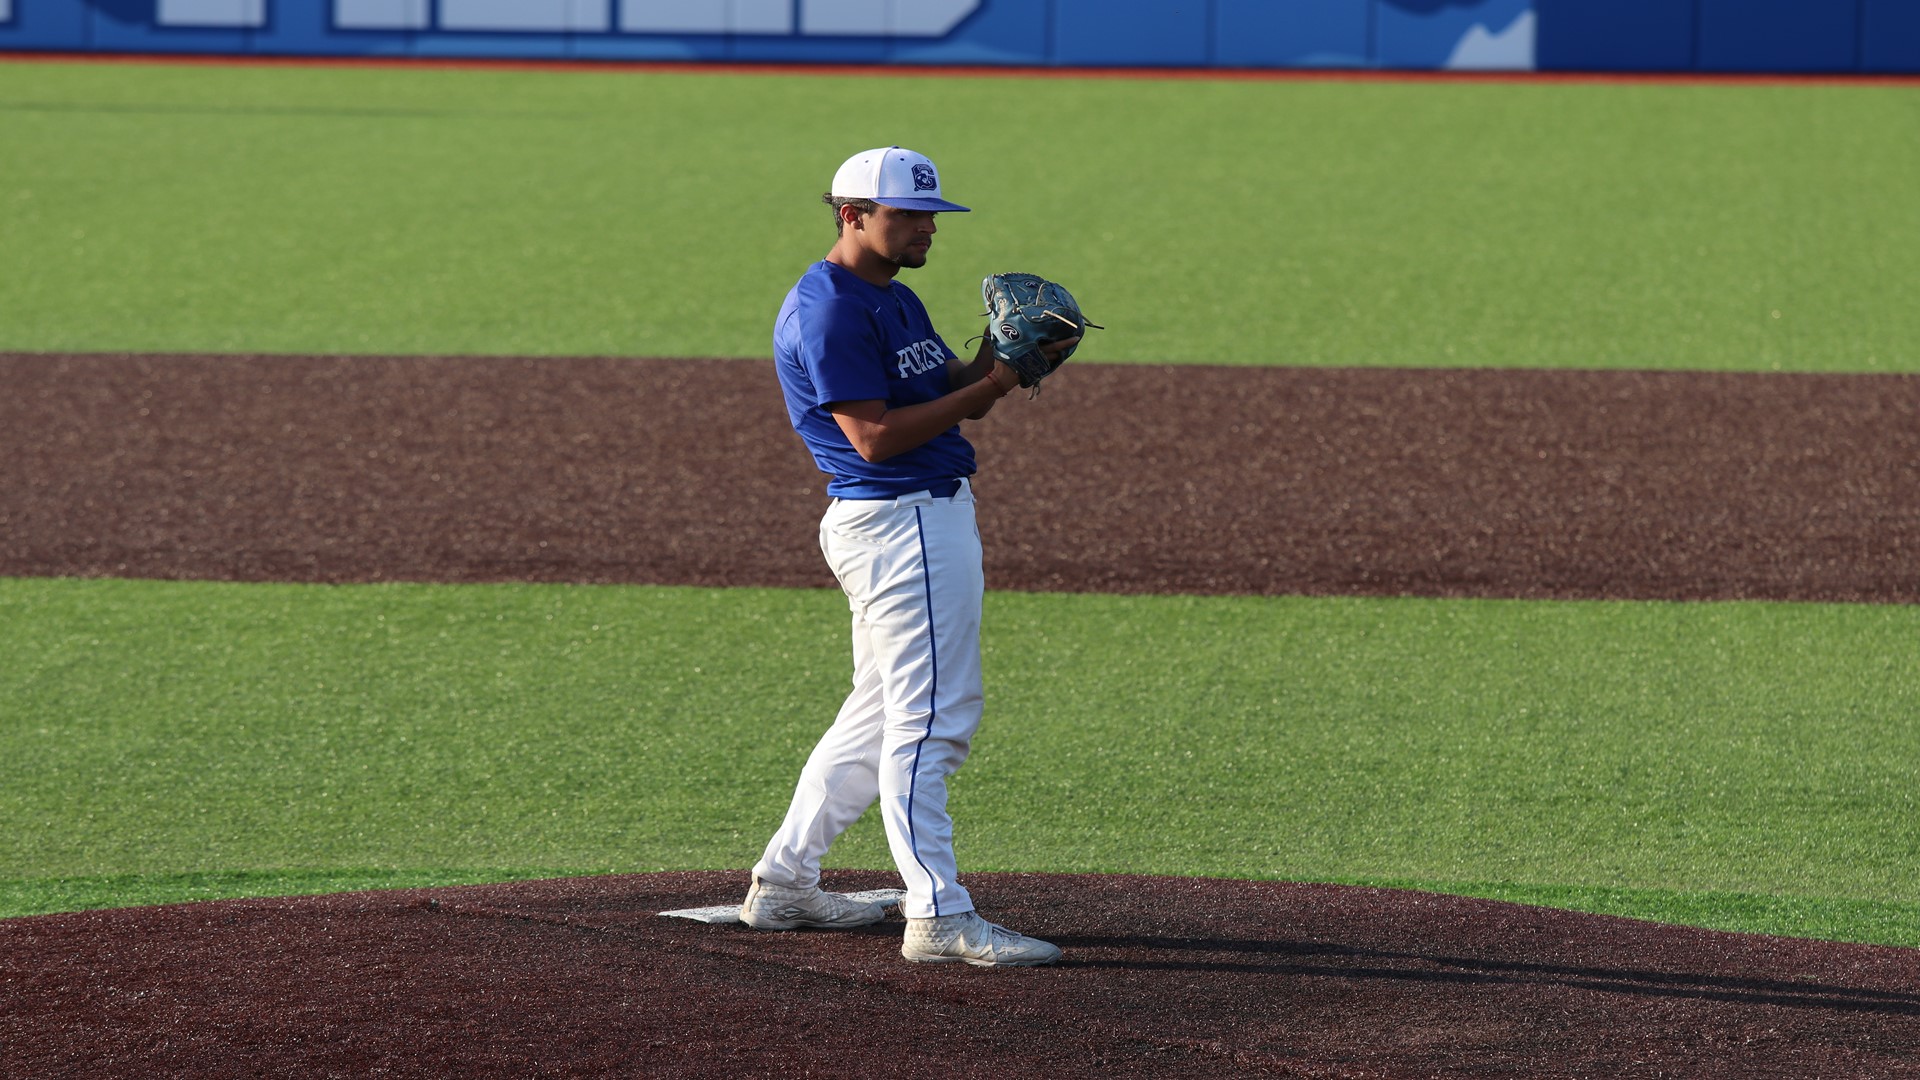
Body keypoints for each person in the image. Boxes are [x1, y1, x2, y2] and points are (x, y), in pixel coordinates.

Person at [741, 147, 1075, 967]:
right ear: (852, 214)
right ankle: (938, 914)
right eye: (908, 216)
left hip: (912, 521)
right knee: (933, 720)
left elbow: (938, 395)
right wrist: (993, 388)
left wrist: (998, 364)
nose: (928, 229)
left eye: (931, 215)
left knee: (879, 713)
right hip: (902, 526)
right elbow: (876, 438)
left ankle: (784, 883)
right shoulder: (829, 311)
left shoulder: (892, 296)